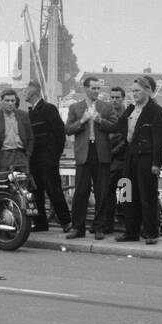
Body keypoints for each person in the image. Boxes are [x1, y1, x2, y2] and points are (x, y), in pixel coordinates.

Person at [64, 76, 120, 239]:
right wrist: (82, 121)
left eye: (98, 88)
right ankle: (78, 227)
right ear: (85, 89)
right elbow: (68, 129)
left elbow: (115, 126)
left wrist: (99, 120)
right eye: (93, 88)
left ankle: (99, 227)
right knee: (81, 192)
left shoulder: (107, 107)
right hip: (84, 153)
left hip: (101, 153)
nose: (96, 91)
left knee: (102, 192)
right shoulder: (75, 107)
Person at [117, 75, 162, 245]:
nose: (134, 94)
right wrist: (129, 110)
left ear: (147, 90)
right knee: (127, 194)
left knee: (147, 196)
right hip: (130, 157)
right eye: (132, 91)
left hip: (146, 158)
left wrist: (156, 163)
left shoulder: (156, 111)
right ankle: (130, 231)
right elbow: (120, 126)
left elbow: (160, 140)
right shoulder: (132, 109)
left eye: (137, 91)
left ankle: (151, 232)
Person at [25, 80, 70, 233]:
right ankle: (41, 223)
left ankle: (66, 221)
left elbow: (60, 132)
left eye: (26, 90)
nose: (24, 93)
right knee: (36, 191)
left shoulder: (48, 109)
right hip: (35, 159)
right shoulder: (31, 112)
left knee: (53, 189)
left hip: (47, 158)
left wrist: (54, 155)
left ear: (33, 92)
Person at [96, 86, 129, 236]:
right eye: (112, 97)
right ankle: (107, 224)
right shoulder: (108, 113)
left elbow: (126, 139)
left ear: (123, 98)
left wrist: (111, 152)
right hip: (110, 159)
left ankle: (126, 222)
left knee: (126, 192)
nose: (114, 100)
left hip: (122, 159)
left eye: (117, 97)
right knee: (108, 193)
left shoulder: (127, 114)